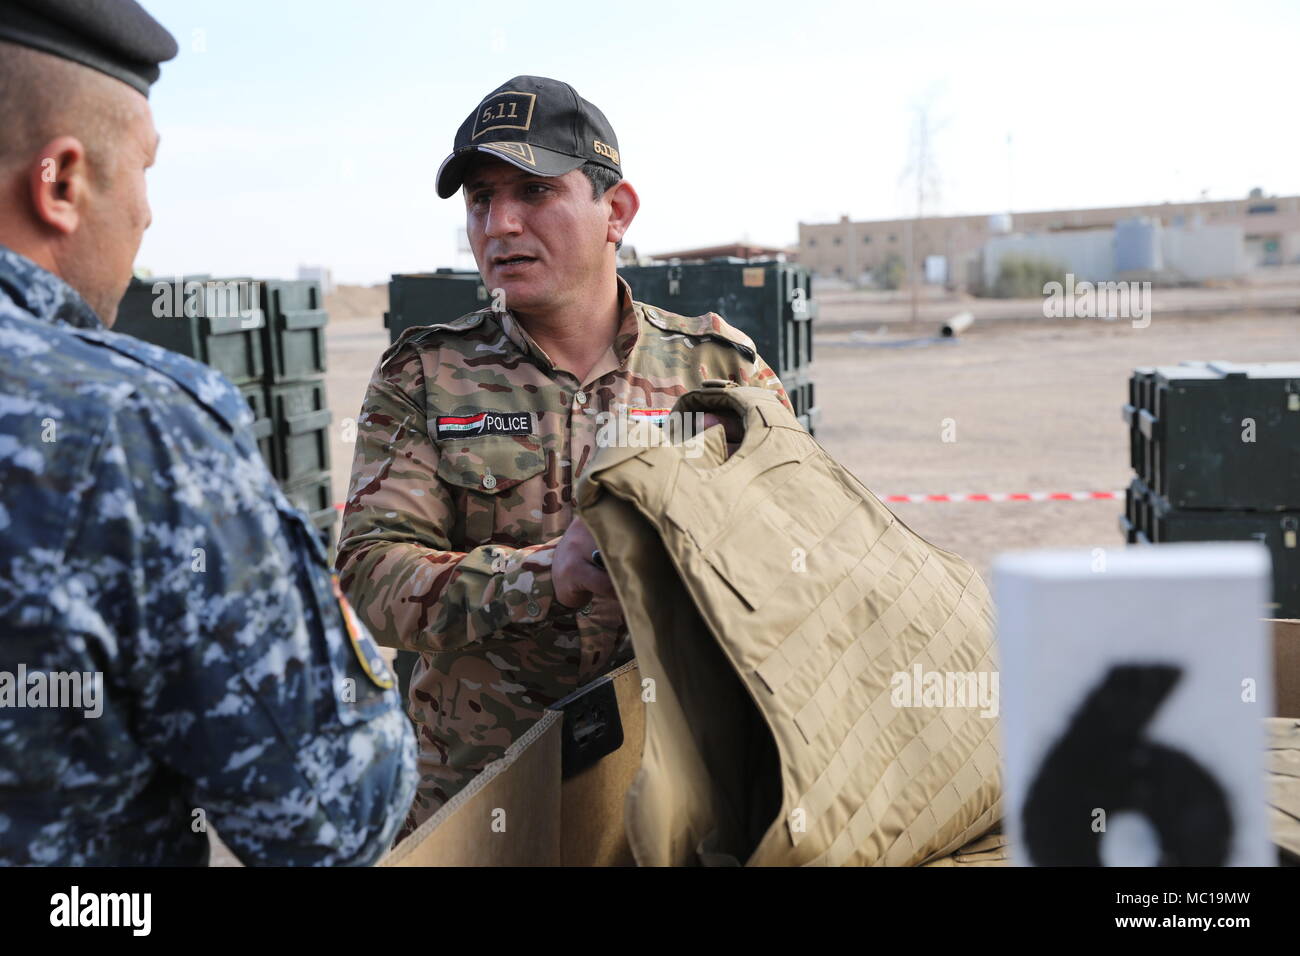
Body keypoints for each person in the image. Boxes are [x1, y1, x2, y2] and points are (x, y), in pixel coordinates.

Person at [0, 0, 415, 865]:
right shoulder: (131, 427)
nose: (148, 214)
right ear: (61, 184)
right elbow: (335, 816)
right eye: (145, 171)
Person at [336, 75, 794, 836]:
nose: (500, 223)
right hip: (482, 802)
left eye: (533, 191)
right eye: (481, 199)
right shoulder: (424, 375)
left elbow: (803, 558)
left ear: (616, 211)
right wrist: (547, 575)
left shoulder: (721, 370)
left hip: (678, 792)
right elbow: (371, 580)